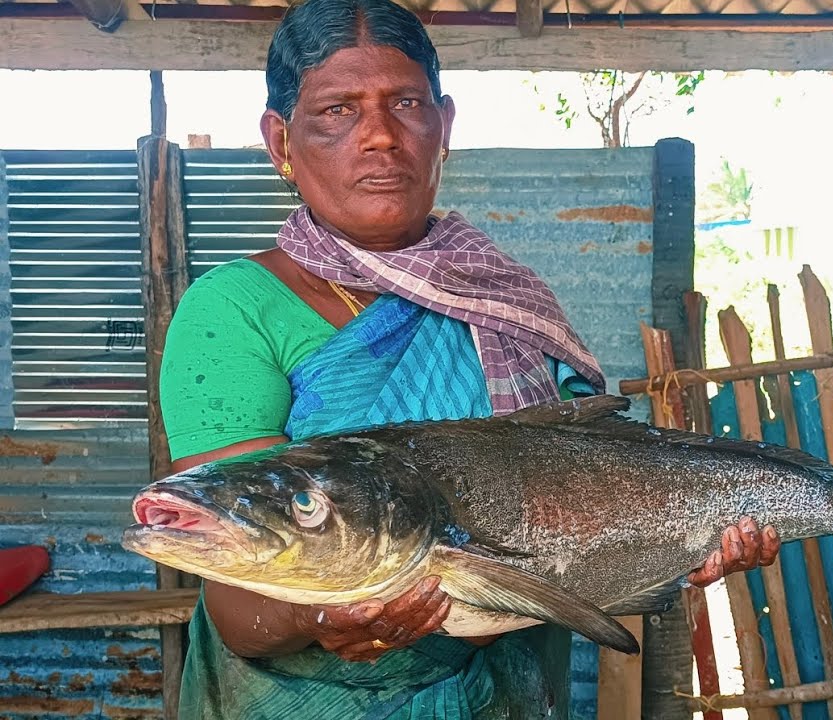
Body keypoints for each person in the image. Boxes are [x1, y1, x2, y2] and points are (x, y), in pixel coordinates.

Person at [157, 0, 781, 716]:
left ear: (443, 125)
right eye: (337, 110)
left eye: (406, 103)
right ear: (281, 142)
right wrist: (322, 616)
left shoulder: (508, 302)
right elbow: (239, 601)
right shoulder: (234, 310)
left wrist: (684, 540)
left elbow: (591, 504)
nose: (381, 137)